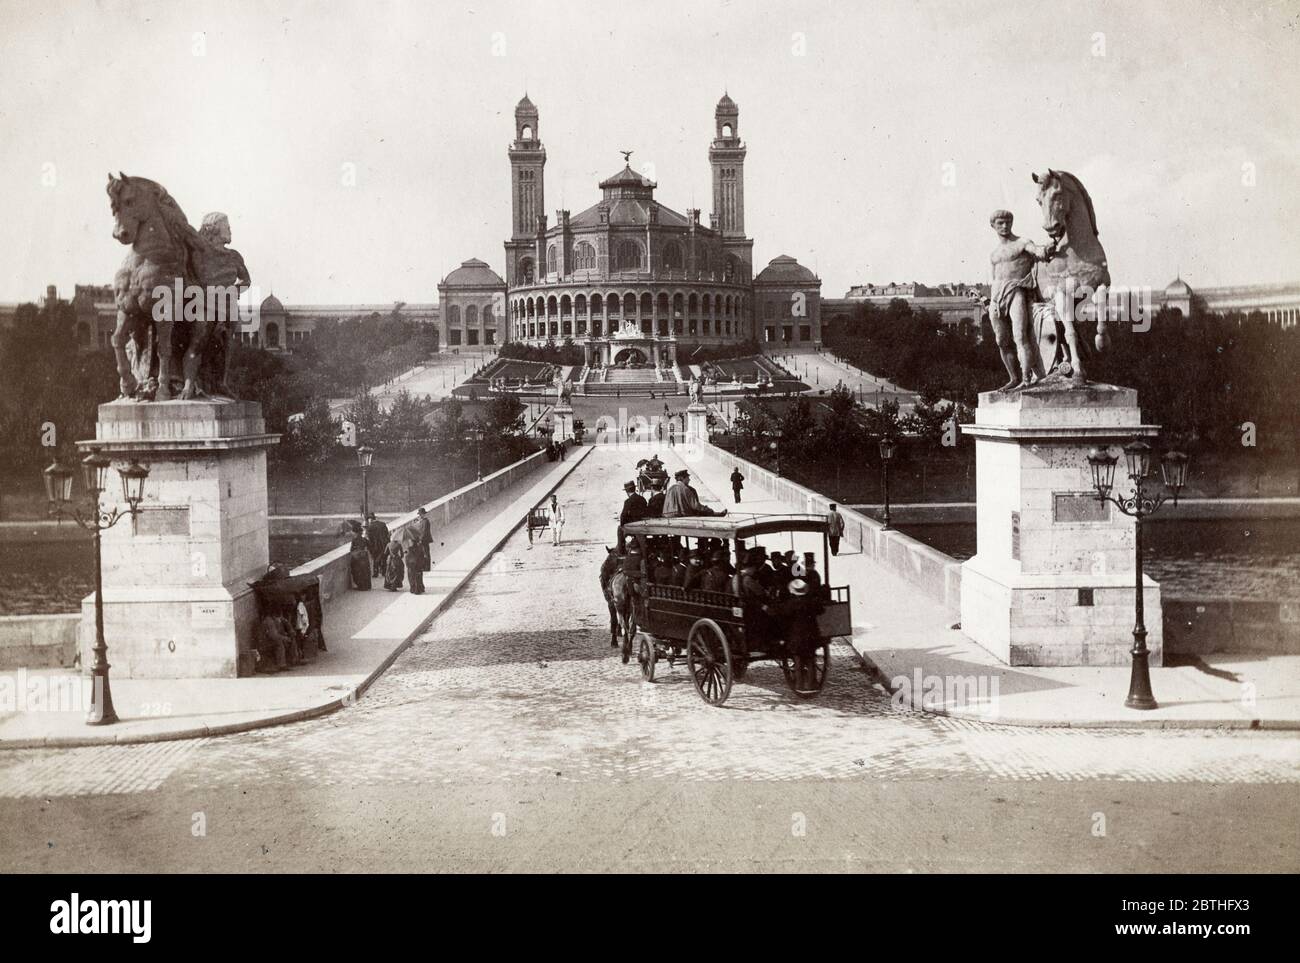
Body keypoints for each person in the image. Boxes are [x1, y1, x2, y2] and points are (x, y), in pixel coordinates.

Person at [986, 209, 1056, 390]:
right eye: (1000, 223)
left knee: (1019, 336)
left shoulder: (1022, 243)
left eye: (1007, 222)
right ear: (993, 226)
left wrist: (1045, 248)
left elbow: (1038, 252)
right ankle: (1013, 377)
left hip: (1017, 291)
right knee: (1001, 341)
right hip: (996, 297)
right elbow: (994, 278)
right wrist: (991, 301)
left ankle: (1026, 378)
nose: (1004, 226)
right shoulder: (993, 254)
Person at [662, 469, 727, 518]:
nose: (689, 480)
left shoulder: (671, 488)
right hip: (682, 515)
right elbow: (695, 505)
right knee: (703, 512)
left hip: (668, 515)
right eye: (688, 478)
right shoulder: (684, 488)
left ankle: (716, 514)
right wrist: (708, 510)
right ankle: (716, 514)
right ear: (682, 478)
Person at [619, 480, 648, 549]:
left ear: (626, 491)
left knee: (619, 529)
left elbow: (623, 516)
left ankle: (621, 550)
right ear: (634, 489)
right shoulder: (642, 499)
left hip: (634, 526)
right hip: (643, 525)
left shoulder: (628, 501)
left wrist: (622, 524)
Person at [347, 521, 372, 591]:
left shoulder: (354, 539)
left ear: (355, 532)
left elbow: (351, 549)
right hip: (364, 556)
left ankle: (361, 586)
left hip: (357, 557)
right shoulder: (364, 539)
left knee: (358, 572)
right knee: (365, 571)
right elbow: (370, 546)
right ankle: (366, 586)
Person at [365, 513, 390, 577]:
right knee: (384, 558)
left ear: (370, 519)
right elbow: (387, 534)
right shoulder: (383, 524)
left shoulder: (370, 527)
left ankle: (375, 573)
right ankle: (383, 572)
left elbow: (369, 538)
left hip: (375, 546)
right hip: (384, 544)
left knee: (375, 558)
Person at [413, 507, 433, 572]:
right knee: (424, 553)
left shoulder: (425, 521)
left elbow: (424, 532)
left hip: (424, 540)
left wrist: (421, 539)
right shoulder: (423, 521)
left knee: (426, 553)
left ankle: (427, 567)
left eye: (421, 514)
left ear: (423, 514)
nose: (420, 515)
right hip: (424, 540)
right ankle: (425, 566)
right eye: (420, 514)